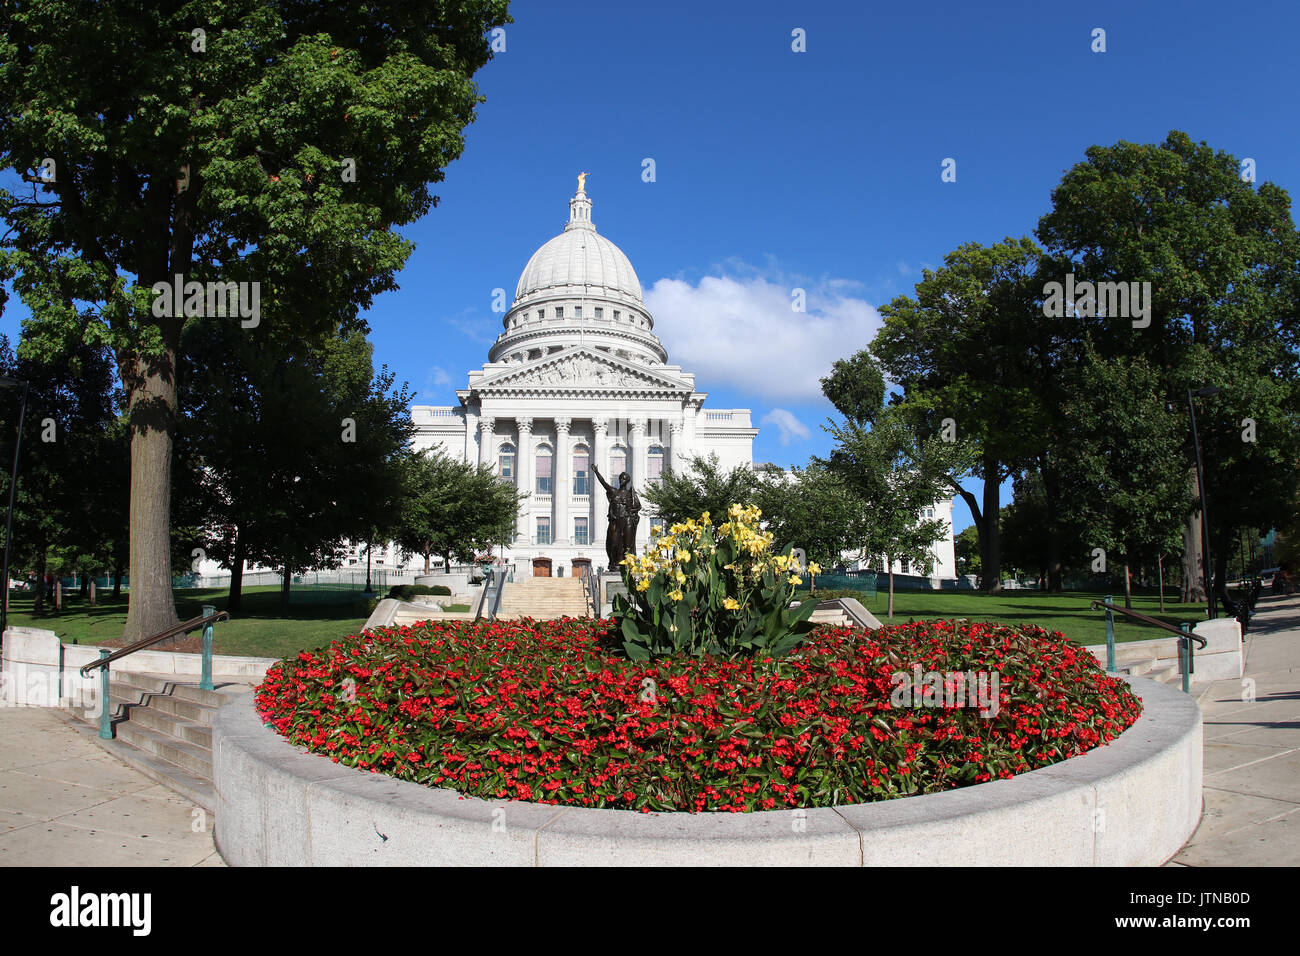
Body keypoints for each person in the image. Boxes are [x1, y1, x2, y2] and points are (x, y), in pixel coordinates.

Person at [592, 463, 640, 569]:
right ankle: (614, 563)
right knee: (613, 542)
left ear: (627, 481)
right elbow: (603, 483)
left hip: (627, 520)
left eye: (623, 478)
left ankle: (627, 564)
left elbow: (638, 507)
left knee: (627, 544)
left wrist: (630, 510)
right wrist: (596, 472)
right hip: (615, 521)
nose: (621, 480)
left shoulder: (630, 494)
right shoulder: (614, 491)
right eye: (620, 478)